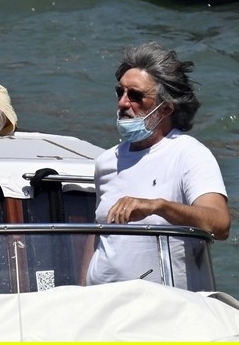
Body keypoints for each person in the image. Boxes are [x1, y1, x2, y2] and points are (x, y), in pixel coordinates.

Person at [86, 42, 230, 290]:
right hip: (101, 306)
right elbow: (100, 239)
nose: (122, 103)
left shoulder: (188, 154)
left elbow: (219, 224)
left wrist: (157, 207)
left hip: (163, 310)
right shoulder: (106, 161)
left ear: (166, 108)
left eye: (135, 96)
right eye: (119, 92)